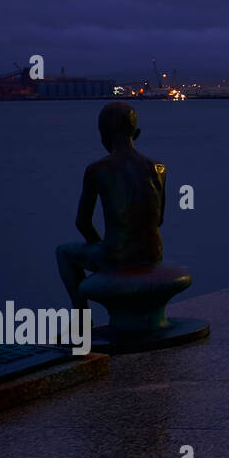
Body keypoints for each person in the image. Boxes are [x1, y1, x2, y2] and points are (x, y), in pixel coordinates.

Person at [56, 102, 166, 309]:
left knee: (63, 252)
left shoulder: (96, 169)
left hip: (117, 255)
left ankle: (81, 318)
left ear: (103, 134)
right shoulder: (158, 168)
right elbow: (158, 219)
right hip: (153, 254)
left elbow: (82, 222)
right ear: (137, 133)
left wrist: (102, 246)